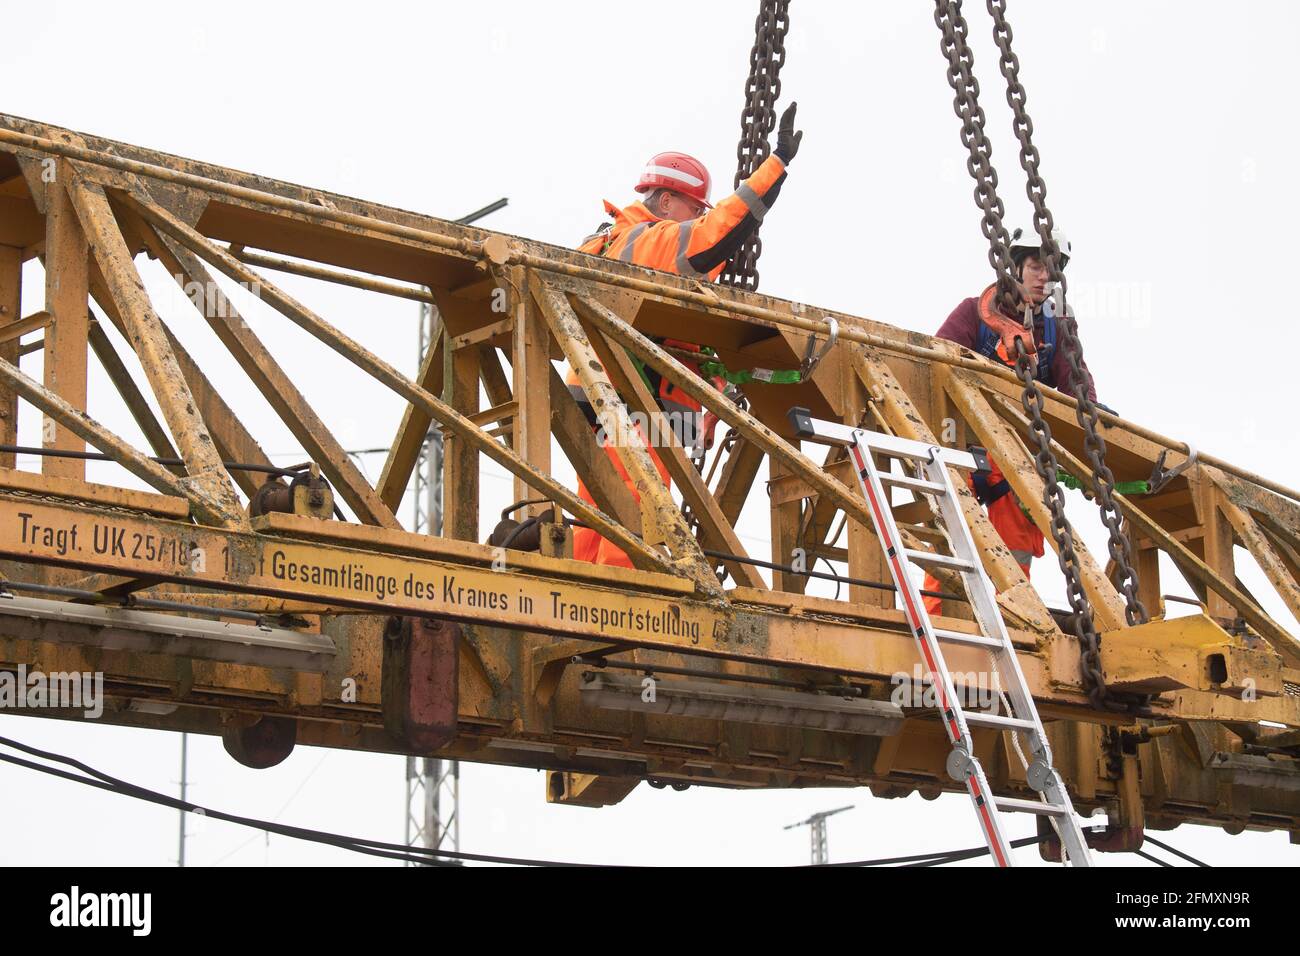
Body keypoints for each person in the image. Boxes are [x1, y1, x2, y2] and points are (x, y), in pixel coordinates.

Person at [567, 104, 804, 566]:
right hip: (633, 406)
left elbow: (677, 342)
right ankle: (623, 605)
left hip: (608, 402)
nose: (697, 217)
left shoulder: (613, 244)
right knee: (637, 507)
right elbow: (709, 237)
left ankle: (580, 597)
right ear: (667, 202)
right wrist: (774, 167)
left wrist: (714, 394)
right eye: (694, 208)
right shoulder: (644, 240)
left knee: (595, 514)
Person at [923, 228, 1096, 613]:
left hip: (1015, 456)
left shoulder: (1057, 325)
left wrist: (1089, 433)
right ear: (1016, 267)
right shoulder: (974, 313)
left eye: (1052, 270)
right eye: (1035, 266)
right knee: (953, 526)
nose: (1043, 277)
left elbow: (1076, 383)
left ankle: (1015, 618)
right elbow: (934, 361)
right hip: (962, 444)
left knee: (1017, 530)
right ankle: (940, 620)